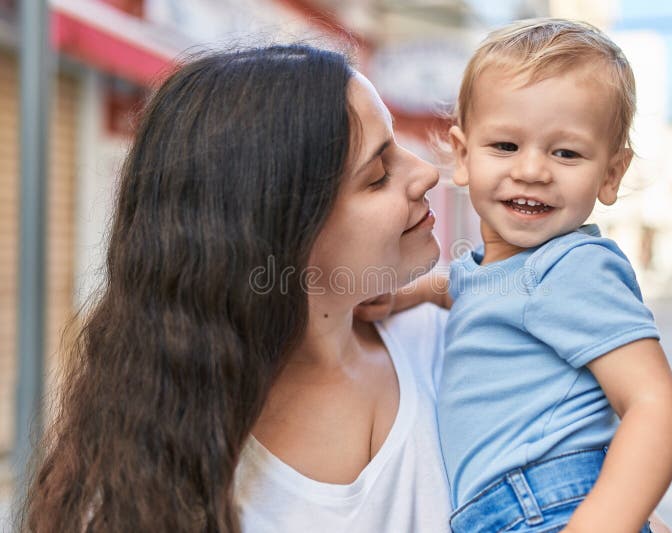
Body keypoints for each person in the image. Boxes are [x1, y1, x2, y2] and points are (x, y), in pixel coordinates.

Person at [21, 44, 453, 532]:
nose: (426, 173)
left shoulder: (456, 343)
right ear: (282, 233)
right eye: (377, 176)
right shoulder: (151, 484)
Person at [433, 18, 672, 533]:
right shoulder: (501, 271)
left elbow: (655, 405)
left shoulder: (571, 266)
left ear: (611, 174)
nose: (531, 170)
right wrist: (398, 297)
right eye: (505, 146)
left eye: (565, 152)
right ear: (463, 155)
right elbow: (465, 286)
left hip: (545, 509)